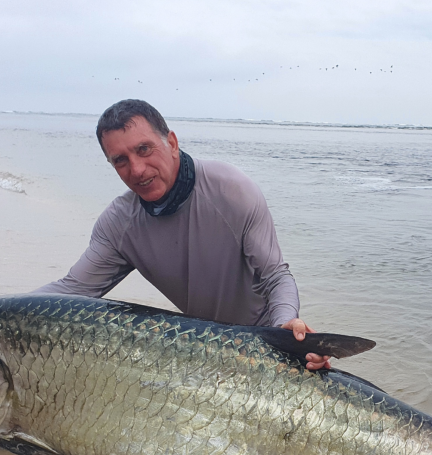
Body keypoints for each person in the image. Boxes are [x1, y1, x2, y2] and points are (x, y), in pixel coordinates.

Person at [36, 99, 329, 370]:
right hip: (202, 352)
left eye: (144, 149)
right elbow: (72, 291)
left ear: (172, 143)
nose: (137, 169)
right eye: (120, 160)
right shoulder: (118, 225)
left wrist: (286, 326)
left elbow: (276, 276)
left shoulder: (232, 191)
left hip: (268, 341)